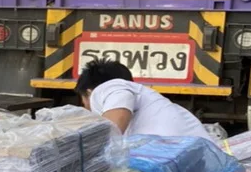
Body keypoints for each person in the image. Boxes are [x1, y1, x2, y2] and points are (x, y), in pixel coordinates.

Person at [76, 57, 210, 138]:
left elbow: (110, 133)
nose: (86, 108)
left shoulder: (112, 87)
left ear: (88, 92)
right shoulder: (153, 105)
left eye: (82, 102)